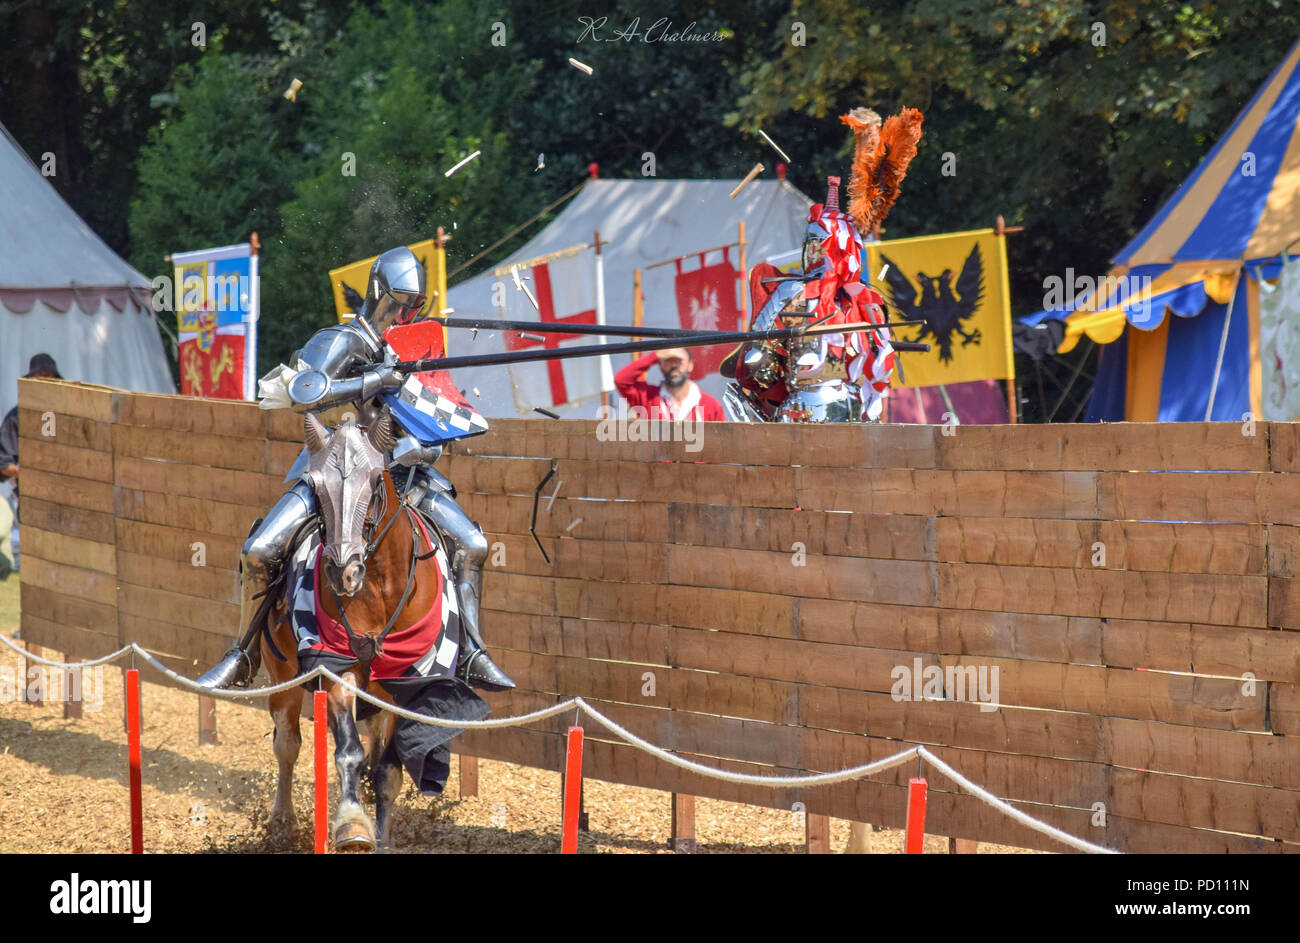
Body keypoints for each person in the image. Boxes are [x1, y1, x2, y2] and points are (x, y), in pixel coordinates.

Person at [197, 246, 514, 692]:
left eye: (416, 303)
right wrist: (373, 380)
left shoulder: (412, 344)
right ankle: (244, 653)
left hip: (400, 473)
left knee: (473, 544)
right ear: (379, 292)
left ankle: (472, 653)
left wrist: (423, 449)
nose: (407, 310)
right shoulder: (342, 340)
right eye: (401, 299)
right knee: (261, 549)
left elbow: (430, 415)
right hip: (335, 471)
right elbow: (304, 393)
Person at [0, 353, 63, 573]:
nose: (45, 381)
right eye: (40, 376)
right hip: (33, 496)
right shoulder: (16, 418)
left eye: (49, 376)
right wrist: (34, 473)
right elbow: (4, 464)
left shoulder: (69, 413)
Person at [614, 347, 726, 422]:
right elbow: (621, 380)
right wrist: (655, 356)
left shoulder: (711, 404)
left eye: (679, 360)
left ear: (690, 365)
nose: (674, 365)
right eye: (668, 360)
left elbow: (722, 446)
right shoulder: (647, 397)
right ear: (660, 365)